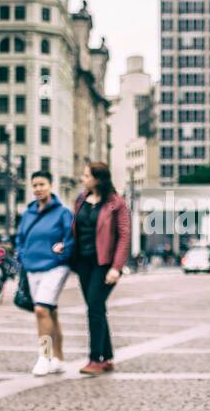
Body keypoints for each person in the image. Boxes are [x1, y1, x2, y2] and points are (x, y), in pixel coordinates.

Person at [71, 161, 130, 376]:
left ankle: (95, 359)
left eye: (86, 175)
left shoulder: (117, 203)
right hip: (83, 262)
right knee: (96, 307)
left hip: (104, 264)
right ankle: (108, 356)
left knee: (94, 307)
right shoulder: (81, 200)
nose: (82, 179)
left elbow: (124, 236)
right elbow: (75, 228)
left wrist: (116, 267)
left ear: (98, 178)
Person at [15, 170, 74, 376]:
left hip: (55, 267)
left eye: (42, 184)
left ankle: (45, 356)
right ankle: (59, 358)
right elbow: (20, 238)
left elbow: (70, 239)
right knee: (51, 312)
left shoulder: (63, 213)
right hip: (32, 268)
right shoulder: (28, 213)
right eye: (35, 185)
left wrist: (60, 256)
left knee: (41, 310)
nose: (38, 189)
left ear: (51, 186)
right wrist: (22, 255)